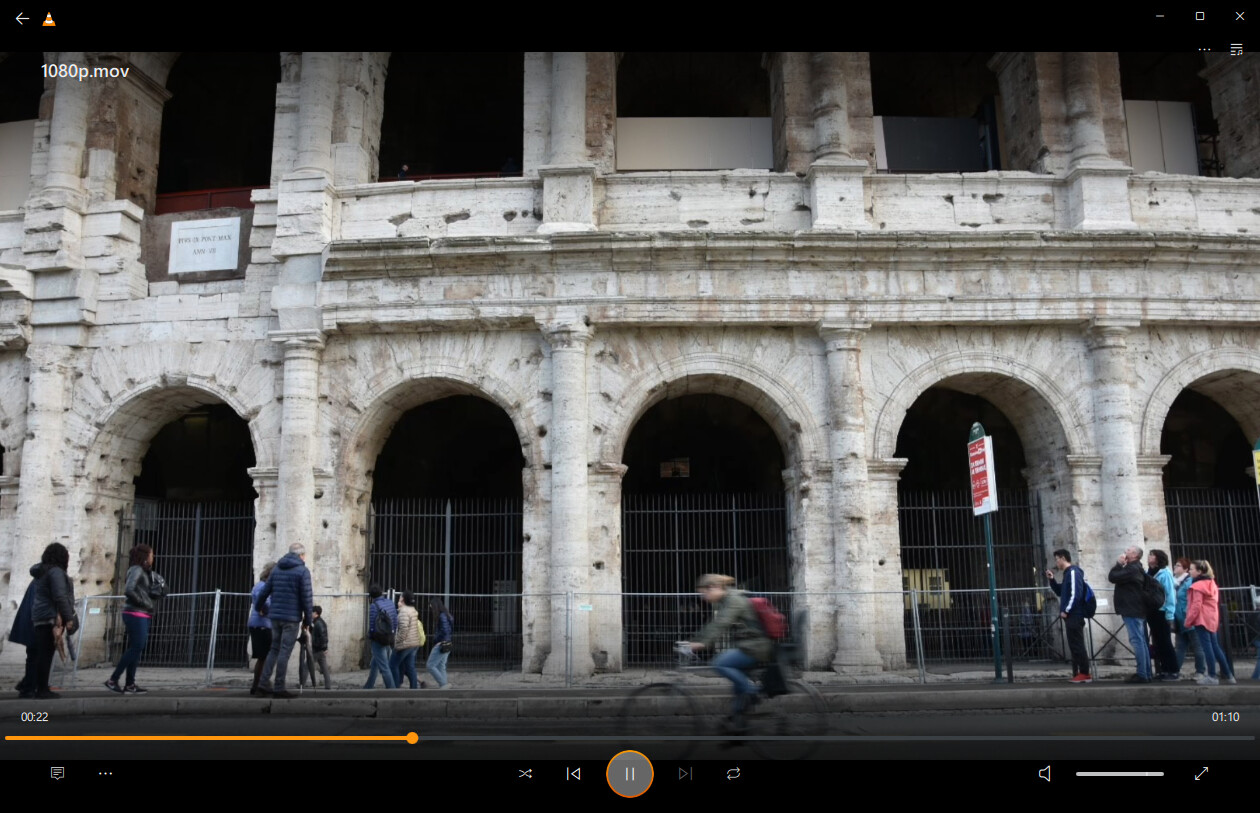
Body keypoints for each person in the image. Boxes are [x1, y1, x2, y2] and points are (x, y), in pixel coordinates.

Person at [684, 573, 774, 728]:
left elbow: (721, 624)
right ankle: (737, 723)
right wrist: (694, 641)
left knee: (720, 663)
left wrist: (701, 644)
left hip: (756, 647)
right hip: (750, 645)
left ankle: (753, 691)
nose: (703, 598)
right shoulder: (726, 600)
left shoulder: (734, 600)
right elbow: (714, 624)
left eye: (704, 593)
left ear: (714, 587)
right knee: (738, 686)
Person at [255, 543, 314, 699]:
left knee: (274, 649)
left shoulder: (276, 569)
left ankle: (262, 684)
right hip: (291, 618)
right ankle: (279, 687)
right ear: (301, 555)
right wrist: (308, 620)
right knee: (284, 652)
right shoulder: (302, 571)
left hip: (275, 617)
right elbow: (307, 598)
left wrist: (260, 608)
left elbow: (265, 591)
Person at [105, 543, 164, 695]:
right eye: (151, 554)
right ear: (145, 556)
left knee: (136, 649)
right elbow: (129, 590)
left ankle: (130, 684)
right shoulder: (136, 570)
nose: (153, 557)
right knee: (136, 647)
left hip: (141, 614)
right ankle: (113, 679)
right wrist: (145, 602)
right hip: (135, 613)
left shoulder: (144, 572)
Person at [29, 543, 79, 699]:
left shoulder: (43, 572)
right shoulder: (56, 572)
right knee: (46, 654)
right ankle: (42, 690)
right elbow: (60, 596)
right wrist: (69, 617)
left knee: (42, 654)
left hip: (41, 616)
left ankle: (40, 687)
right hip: (50, 618)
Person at [1185, 560, 1236, 685]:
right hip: (1212, 618)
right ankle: (1228, 675)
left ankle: (1212, 675)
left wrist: (1188, 620)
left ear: (1199, 571)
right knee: (1215, 647)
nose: (1189, 571)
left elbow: (1196, 606)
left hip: (1201, 619)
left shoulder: (1197, 586)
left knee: (1207, 648)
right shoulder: (1211, 583)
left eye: (1191, 569)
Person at [1045, 548, 1091, 683]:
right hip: (1071, 614)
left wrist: (1067, 610)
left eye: (1057, 559)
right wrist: (1052, 580)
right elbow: (1061, 592)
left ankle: (1084, 673)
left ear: (1063, 558)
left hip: (1074, 614)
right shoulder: (1067, 574)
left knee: (1077, 644)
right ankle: (1080, 673)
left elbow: (1075, 594)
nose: (1056, 562)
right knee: (1074, 644)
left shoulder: (1073, 572)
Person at [1108, 545, 1151, 683]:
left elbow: (1113, 577)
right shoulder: (1136, 568)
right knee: (1141, 640)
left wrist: (1118, 564)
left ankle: (1142, 674)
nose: (1125, 551)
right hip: (1136, 609)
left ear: (1134, 555)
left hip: (1132, 609)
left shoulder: (1132, 569)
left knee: (1137, 641)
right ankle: (1146, 673)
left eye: (1128, 550)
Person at [9, 562, 44, 698]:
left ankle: (26, 684)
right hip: (36, 625)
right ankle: (28, 688)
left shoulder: (35, 581)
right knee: (35, 658)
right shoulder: (42, 584)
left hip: (30, 624)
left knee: (33, 657)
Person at [1146, 549, 1179, 680]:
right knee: (1158, 642)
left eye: (1152, 555)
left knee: (1165, 642)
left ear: (1158, 559)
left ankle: (1173, 670)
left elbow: (1170, 594)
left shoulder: (1165, 574)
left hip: (1162, 611)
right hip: (1153, 611)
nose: (1149, 557)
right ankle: (1164, 669)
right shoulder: (1149, 572)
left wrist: (1170, 614)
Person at [1172, 557, 1205, 679]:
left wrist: (1189, 616)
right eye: (1175, 565)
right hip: (1180, 620)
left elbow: (1193, 602)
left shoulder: (1189, 582)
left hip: (1190, 619)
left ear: (1186, 569)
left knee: (1198, 647)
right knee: (1180, 647)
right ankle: (1176, 671)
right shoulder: (1174, 581)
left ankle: (1200, 672)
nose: (1175, 567)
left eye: (1178, 565)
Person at [248, 561, 276, 696]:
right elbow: (264, 603)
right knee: (263, 657)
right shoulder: (262, 587)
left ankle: (259, 685)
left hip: (261, 624)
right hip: (261, 625)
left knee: (263, 657)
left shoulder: (261, 585)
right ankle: (260, 685)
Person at [389, 591, 426, 689]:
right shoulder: (412, 610)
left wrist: (396, 642)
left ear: (403, 599)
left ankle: (395, 688)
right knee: (410, 668)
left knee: (393, 665)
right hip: (413, 643)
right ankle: (413, 689)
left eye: (400, 597)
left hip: (405, 644)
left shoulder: (403, 612)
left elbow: (403, 630)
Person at [364, 584, 397, 689]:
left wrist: (370, 636)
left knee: (384, 667)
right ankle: (368, 686)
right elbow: (395, 619)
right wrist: (392, 634)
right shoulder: (390, 602)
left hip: (378, 639)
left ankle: (392, 690)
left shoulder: (374, 606)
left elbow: (372, 625)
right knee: (375, 663)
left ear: (371, 596)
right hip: (388, 636)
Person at [427, 597, 454, 690]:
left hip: (442, 643)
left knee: (430, 665)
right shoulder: (447, 615)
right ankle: (444, 685)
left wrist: (437, 640)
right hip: (448, 643)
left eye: (431, 606)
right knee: (441, 666)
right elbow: (448, 630)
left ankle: (443, 684)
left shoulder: (441, 616)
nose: (430, 608)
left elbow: (444, 630)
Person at [307, 605, 333, 690]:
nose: (311, 613)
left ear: (315, 613)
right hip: (319, 648)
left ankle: (302, 684)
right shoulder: (316, 622)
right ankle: (328, 686)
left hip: (317, 648)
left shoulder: (319, 623)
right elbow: (314, 633)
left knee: (306, 665)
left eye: (312, 612)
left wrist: (324, 648)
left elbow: (323, 637)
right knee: (324, 667)